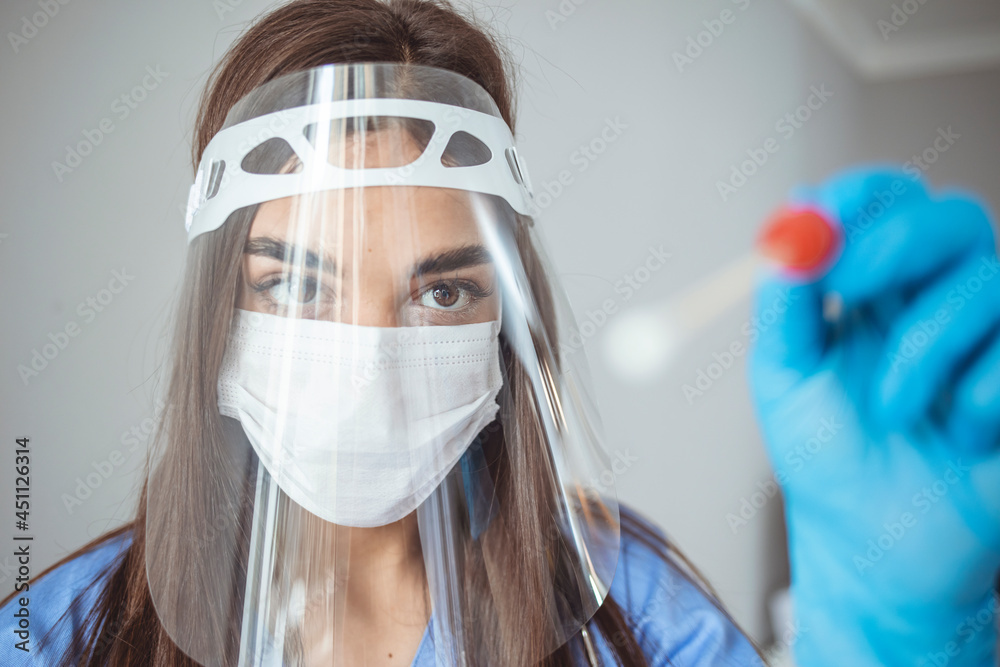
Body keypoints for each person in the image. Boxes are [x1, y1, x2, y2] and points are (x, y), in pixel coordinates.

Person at [4, 3, 1000, 667]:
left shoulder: (625, 605)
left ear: (504, 319)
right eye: (295, 284)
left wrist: (896, 634)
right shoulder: (60, 637)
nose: (365, 364)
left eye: (440, 294)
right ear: (217, 311)